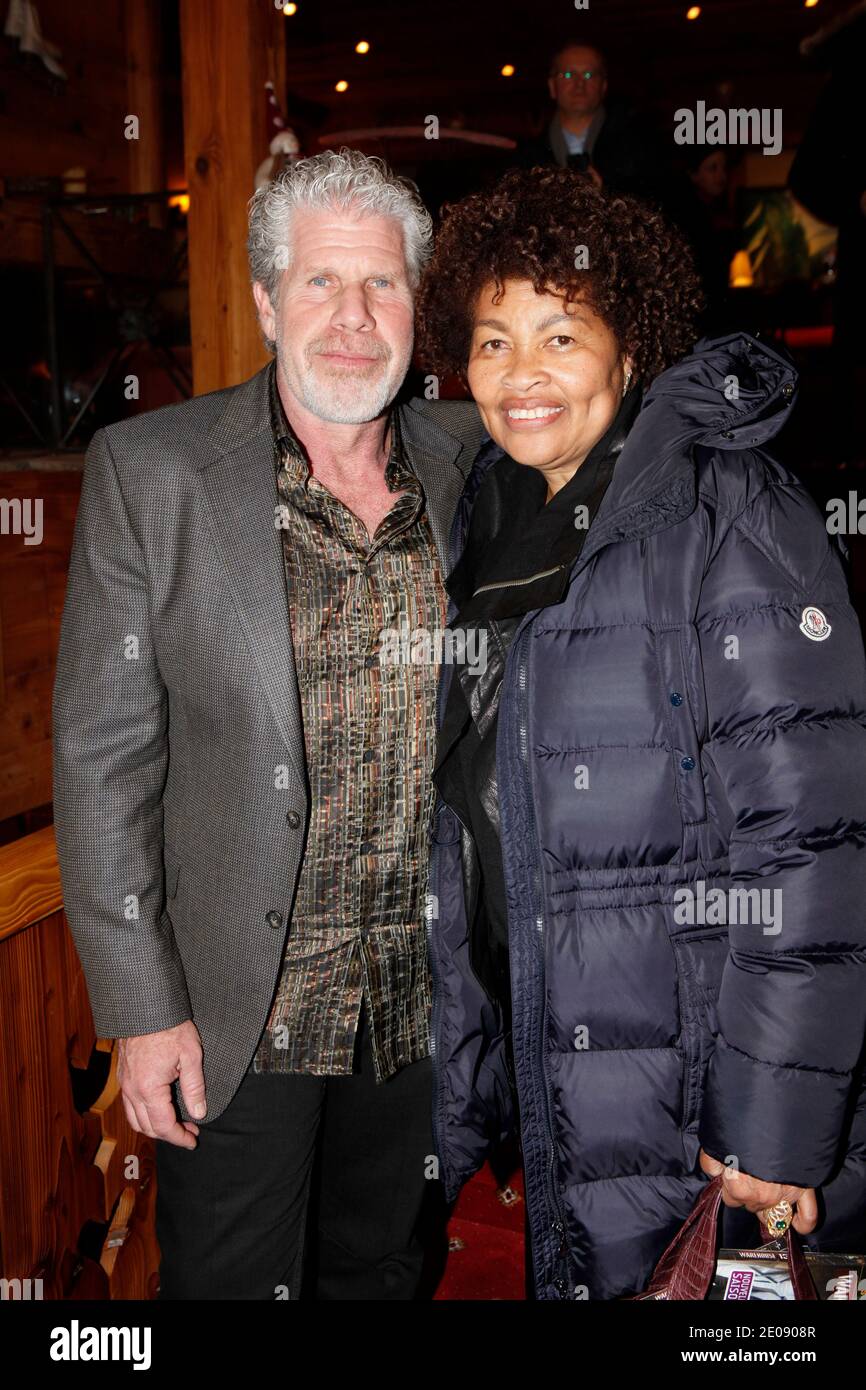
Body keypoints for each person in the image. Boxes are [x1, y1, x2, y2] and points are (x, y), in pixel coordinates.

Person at [415, 164, 866, 1300]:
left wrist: (771, 1127)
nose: (520, 376)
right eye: (490, 341)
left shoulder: (723, 507)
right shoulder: (485, 520)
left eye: (558, 336)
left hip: (699, 1101)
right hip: (566, 1084)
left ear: (629, 351)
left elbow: (807, 840)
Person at [51, 147, 487, 1300]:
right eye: (318, 284)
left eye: (381, 285)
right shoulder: (153, 474)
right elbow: (102, 763)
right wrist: (142, 1013)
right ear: (263, 301)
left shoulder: (473, 461)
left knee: (385, 1276)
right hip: (238, 1020)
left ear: (416, 302)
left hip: (417, 1014)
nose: (352, 318)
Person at [515, 40, 675, 212]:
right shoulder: (528, 158)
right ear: (552, 86)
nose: (579, 84)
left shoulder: (641, 145)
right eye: (568, 75)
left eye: (589, 75)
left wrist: (609, 191)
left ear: (603, 85)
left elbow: (665, 203)